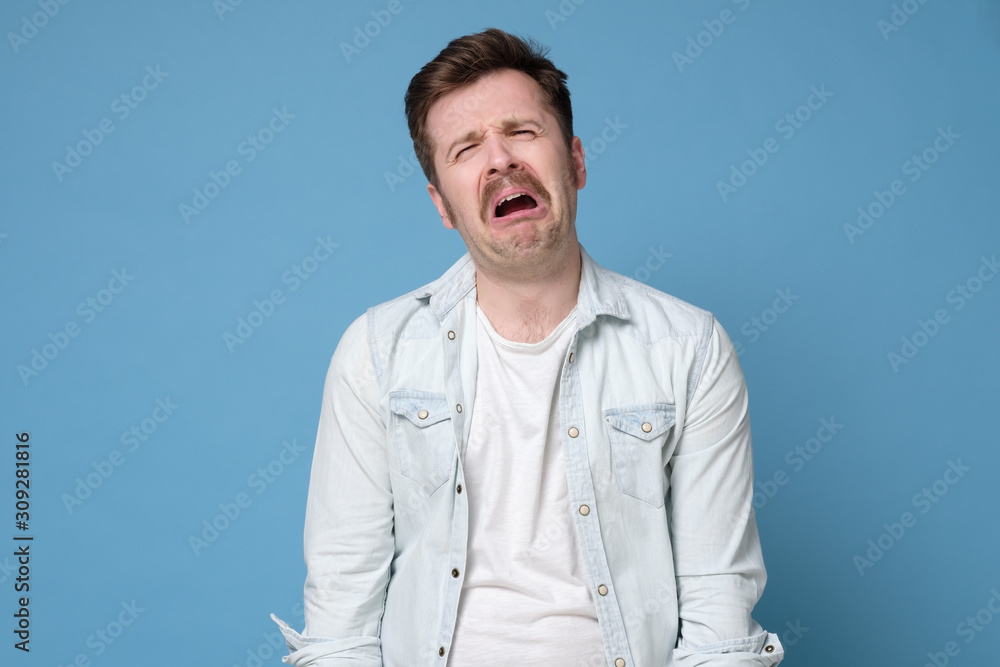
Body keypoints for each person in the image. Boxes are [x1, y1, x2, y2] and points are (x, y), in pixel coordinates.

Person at [272, 28, 783, 667]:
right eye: (465, 148)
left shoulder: (688, 349)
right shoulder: (377, 352)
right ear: (442, 205)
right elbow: (340, 623)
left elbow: (719, 616)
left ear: (575, 162)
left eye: (522, 131)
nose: (499, 160)